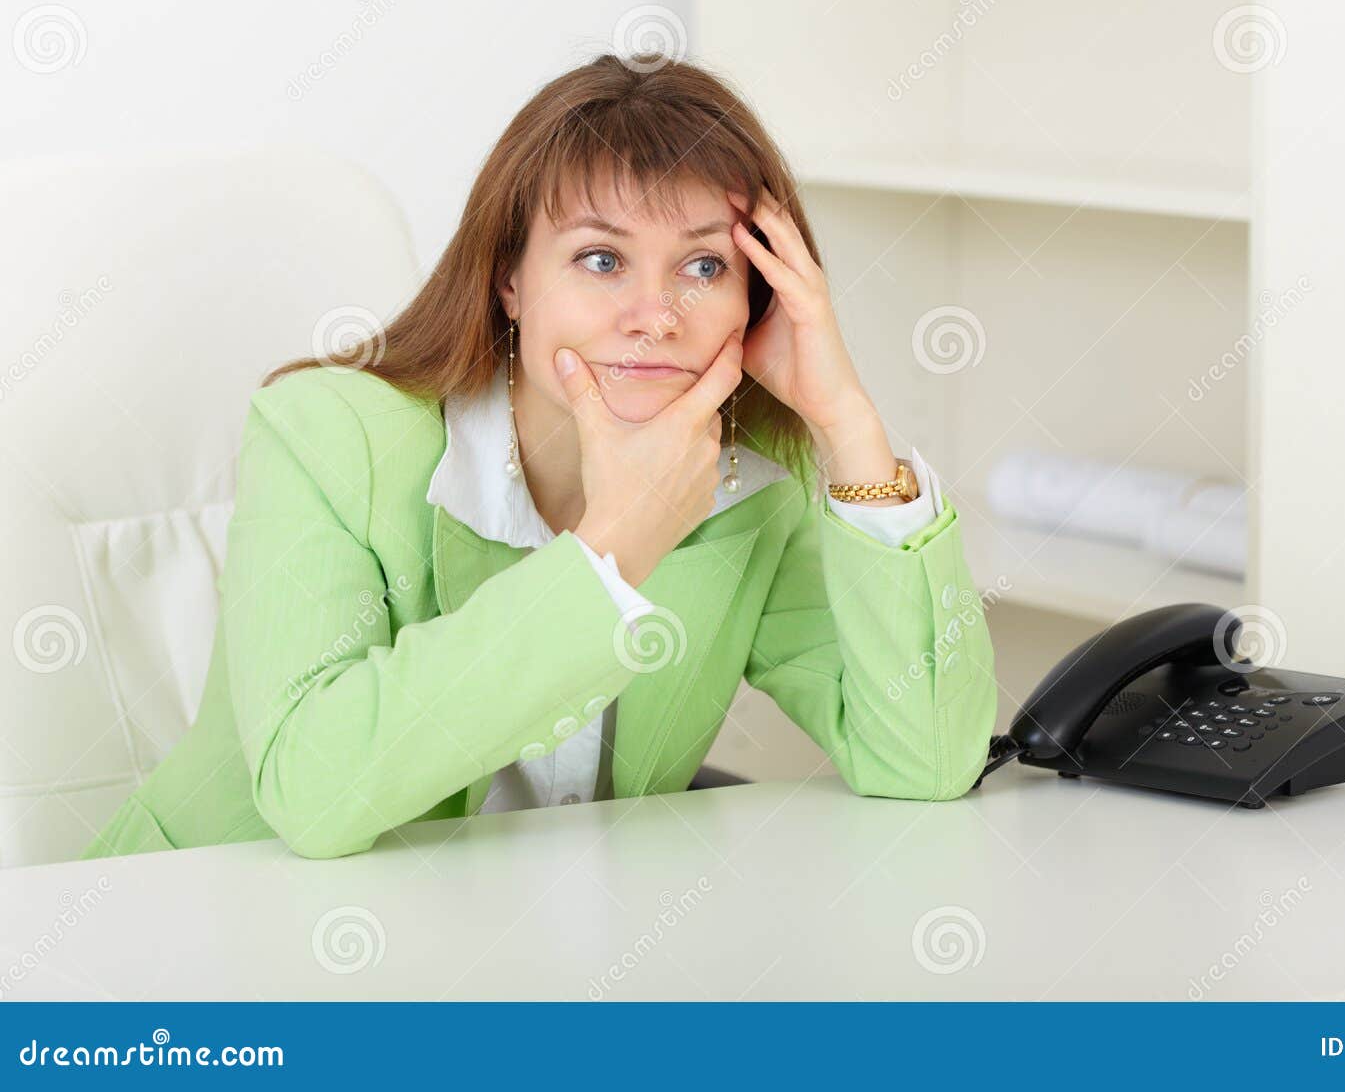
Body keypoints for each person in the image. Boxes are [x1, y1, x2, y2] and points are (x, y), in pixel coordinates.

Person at [81, 52, 998, 861]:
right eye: (602, 260)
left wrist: (847, 425)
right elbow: (314, 793)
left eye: (705, 267)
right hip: (205, 946)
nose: (657, 313)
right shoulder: (325, 437)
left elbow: (922, 759)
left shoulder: (749, 488)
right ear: (510, 279)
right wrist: (614, 550)